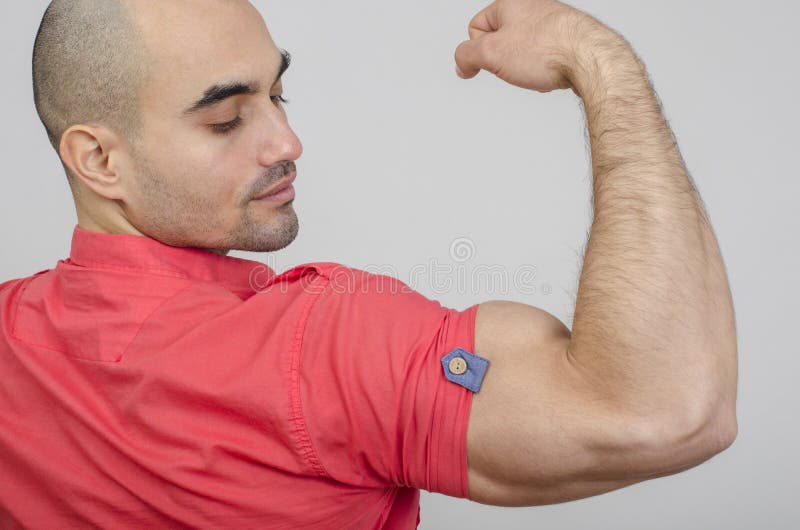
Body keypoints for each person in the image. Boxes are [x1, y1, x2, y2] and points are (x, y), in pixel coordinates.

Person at [0, 0, 738, 528]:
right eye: (225, 118)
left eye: (277, 93)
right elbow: (664, 410)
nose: (286, 141)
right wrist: (600, 61)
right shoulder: (327, 350)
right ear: (98, 159)